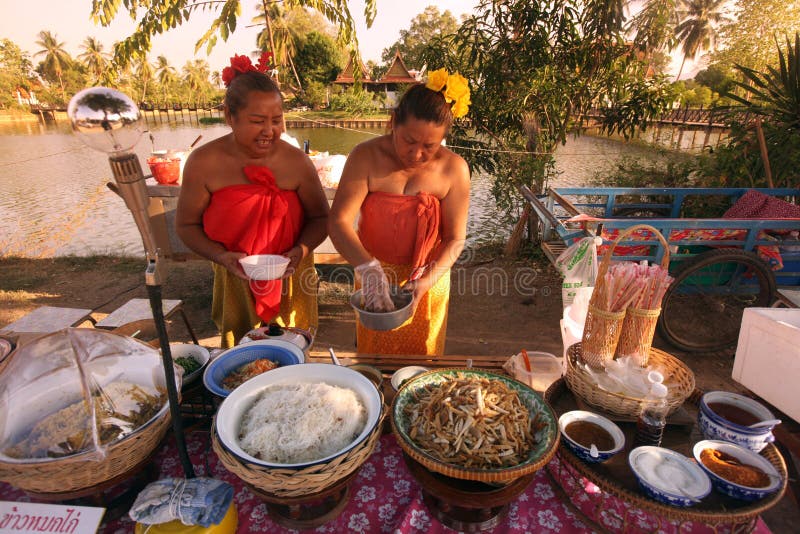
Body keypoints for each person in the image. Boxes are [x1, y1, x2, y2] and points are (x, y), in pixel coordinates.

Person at [176, 53, 329, 348]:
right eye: (257, 121)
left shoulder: (296, 162)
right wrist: (221, 257)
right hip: (235, 273)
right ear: (229, 117)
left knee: (293, 345)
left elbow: (321, 218)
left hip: (290, 273)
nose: (269, 131)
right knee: (242, 351)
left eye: (276, 120)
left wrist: (301, 250)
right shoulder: (204, 162)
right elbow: (186, 225)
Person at [328, 69, 471, 356]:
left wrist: (426, 281)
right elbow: (339, 221)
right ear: (393, 122)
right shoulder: (365, 156)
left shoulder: (454, 169)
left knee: (423, 363)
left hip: (428, 278)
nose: (417, 154)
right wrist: (368, 270)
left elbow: (455, 239)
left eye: (430, 146)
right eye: (409, 141)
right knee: (374, 358)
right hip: (373, 274)